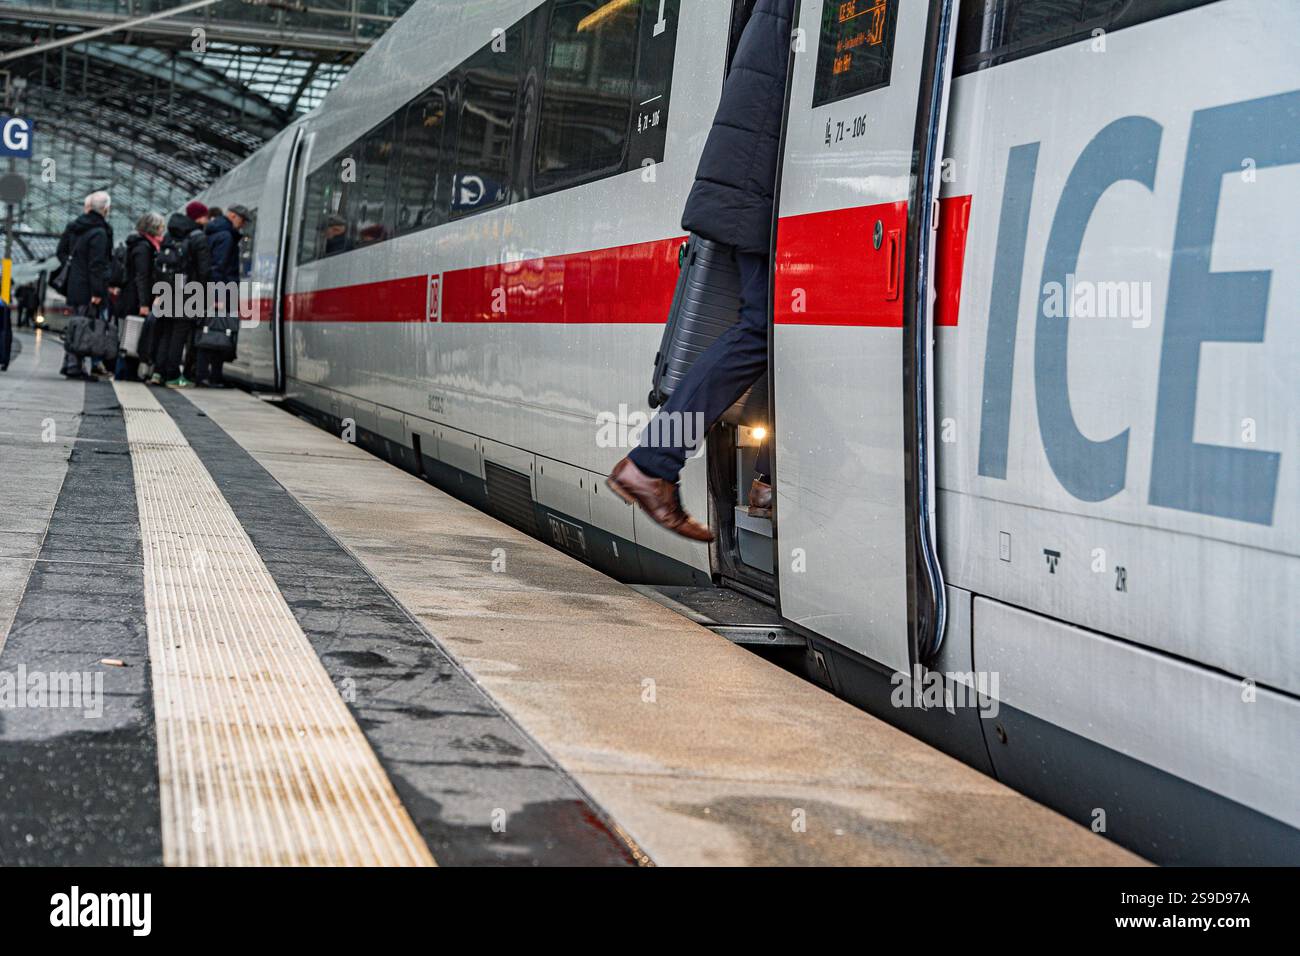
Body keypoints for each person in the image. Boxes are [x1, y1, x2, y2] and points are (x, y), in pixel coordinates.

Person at [606, 0, 792, 541]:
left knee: (770, 329)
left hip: (742, 182)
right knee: (763, 329)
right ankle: (656, 464)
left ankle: (758, 476)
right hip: (753, 186)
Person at [151, 201, 212, 388]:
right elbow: (204, 270)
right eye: (205, 216)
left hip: (167, 288)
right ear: (199, 217)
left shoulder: (170, 234)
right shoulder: (198, 236)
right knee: (179, 335)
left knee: (166, 333)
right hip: (187, 290)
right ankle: (172, 376)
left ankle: (158, 373)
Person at [59, 190, 114, 380]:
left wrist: (75, 269)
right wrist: (98, 291)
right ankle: (74, 366)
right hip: (90, 288)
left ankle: (70, 363)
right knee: (84, 327)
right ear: (106, 209)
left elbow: (61, 252)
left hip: (74, 285)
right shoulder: (100, 232)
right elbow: (97, 264)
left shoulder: (74, 227)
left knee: (76, 325)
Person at [197, 203, 248, 387]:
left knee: (209, 332)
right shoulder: (226, 236)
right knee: (219, 334)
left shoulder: (213, 231)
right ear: (233, 216)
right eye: (242, 220)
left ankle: (204, 374)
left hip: (216, 289)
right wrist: (218, 296)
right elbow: (219, 267)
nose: (242, 225)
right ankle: (212, 376)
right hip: (222, 291)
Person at [117, 212, 165, 382]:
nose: (162, 231)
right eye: (160, 227)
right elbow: (141, 276)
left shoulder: (140, 245)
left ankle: (126, 373)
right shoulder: (143, 248)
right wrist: (144, 303)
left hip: (133, 297)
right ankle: (125, 373)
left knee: (132, 335)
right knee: (131, 336)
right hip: (135, 299)